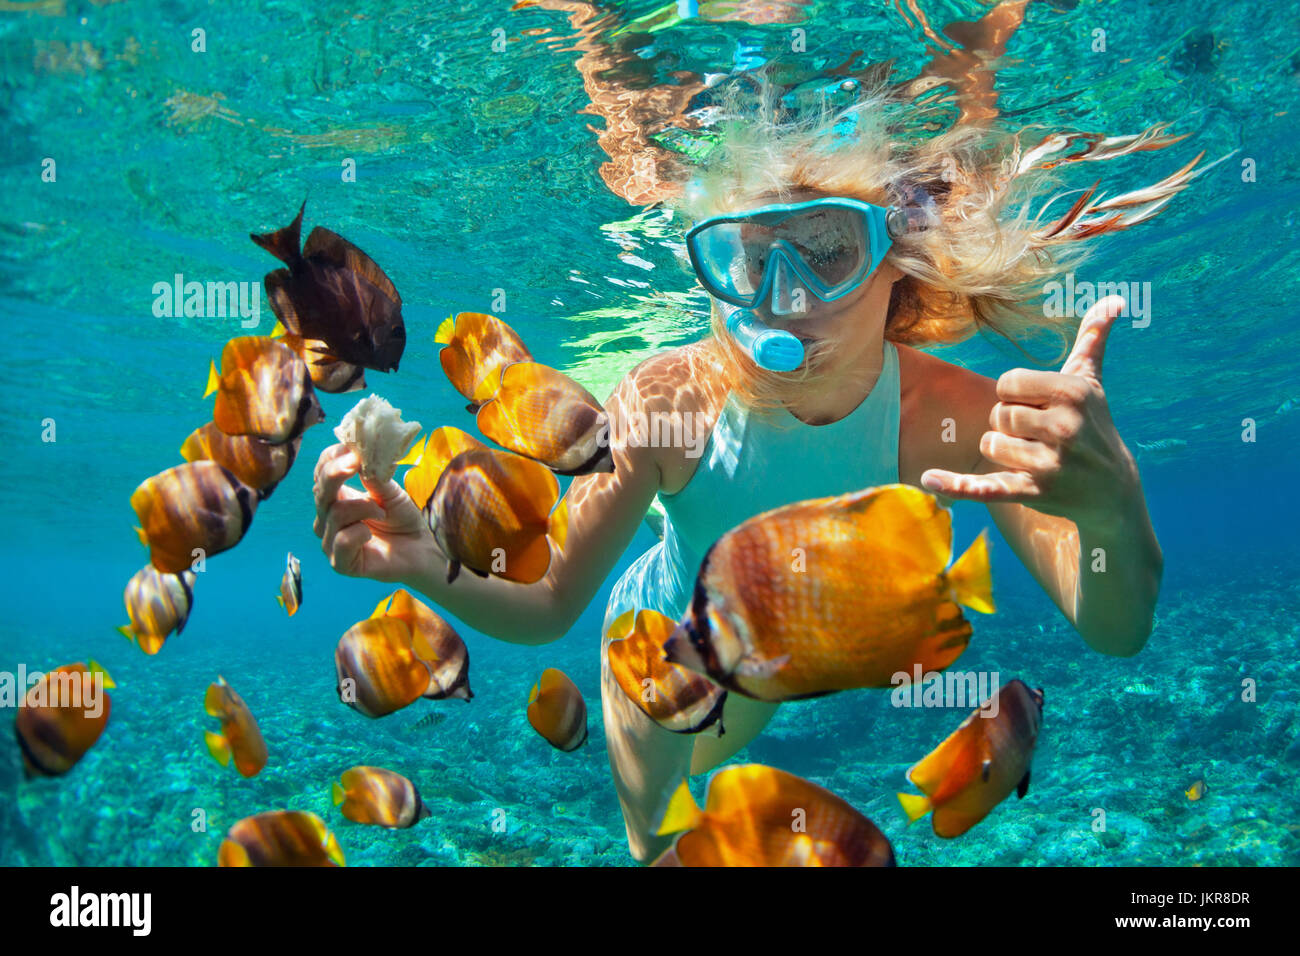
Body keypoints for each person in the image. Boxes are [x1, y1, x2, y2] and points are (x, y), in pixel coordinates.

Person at [312, 80, 1201, 863]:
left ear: (898, 260)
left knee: (719, 779)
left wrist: (1112, 504)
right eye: (748, 257)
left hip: (774, 653)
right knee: (660, 846)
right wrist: (422, 565)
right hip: (652, 645)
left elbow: (1116, 629)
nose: (785, 297)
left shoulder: (951, 416)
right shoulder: (669, 402)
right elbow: (549, 604)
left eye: (825, 249)